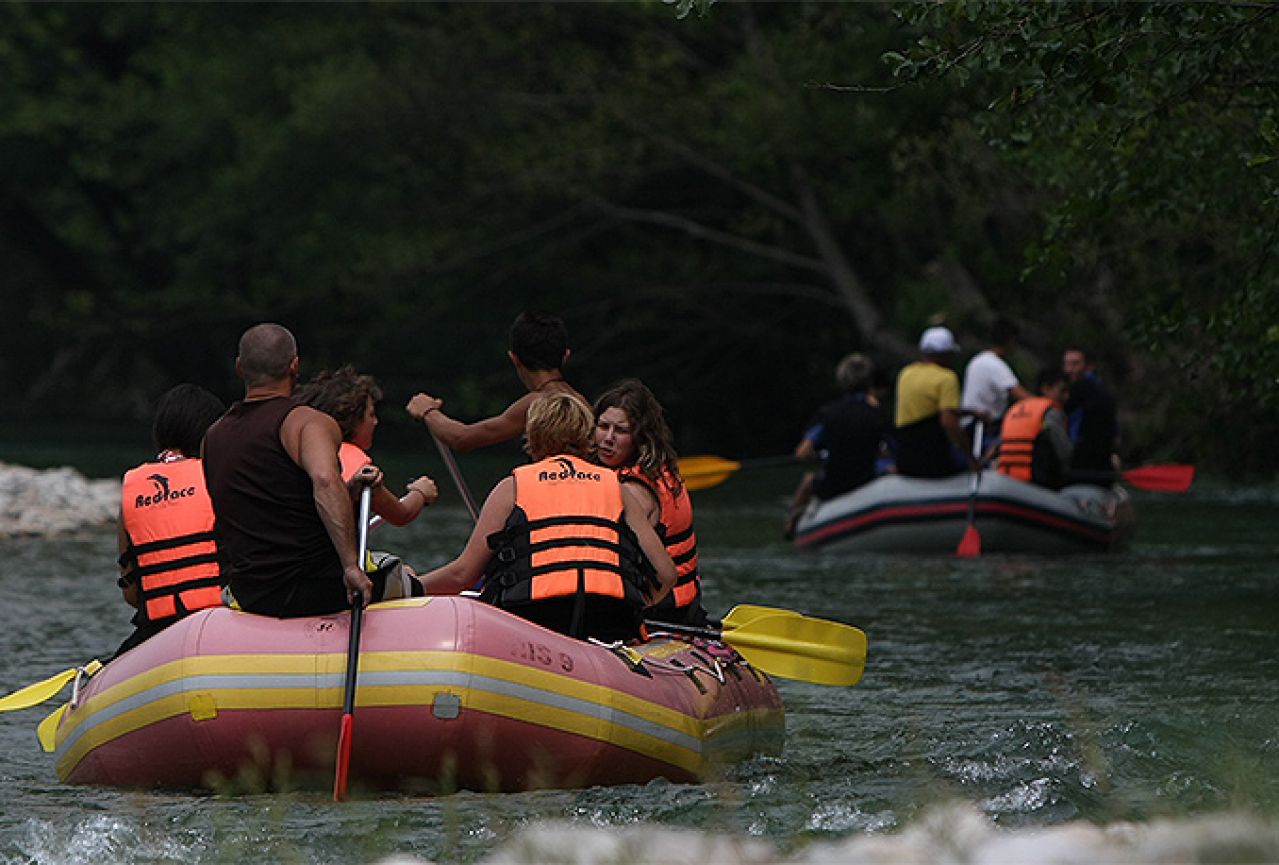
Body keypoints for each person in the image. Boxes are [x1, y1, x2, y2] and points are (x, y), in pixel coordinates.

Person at [418, 393, 676, 643]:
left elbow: (462, 574)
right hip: (608, 622)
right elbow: (666, 574)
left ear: (533, 437)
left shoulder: (513, 487)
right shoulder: (616, 488)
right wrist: (634, 603)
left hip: (534, 620)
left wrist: (410, 586)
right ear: (587, 440)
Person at [202, 323, 376, 617]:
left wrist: (350, 492)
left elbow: (271, 504)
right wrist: (350, 566)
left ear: (240, 368)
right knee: (403, 575)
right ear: (295, 365)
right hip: (317, 588)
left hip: (251, 593)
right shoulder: (307, 423)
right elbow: (323, 480)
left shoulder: (212, 436)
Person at [114, 384, 227, 658]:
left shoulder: (132, 488)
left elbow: (131, 595)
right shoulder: (220, 477)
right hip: (219, 621)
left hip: (157, 629)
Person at [592, 378, 709, 627]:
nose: (608, 438)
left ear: (640, 437)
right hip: (686, 606)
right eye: (603, 426)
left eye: (621, 431)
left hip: (657, 613)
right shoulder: (663, 472)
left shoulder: (632, 490)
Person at [406, 311, 587, 452]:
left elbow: (461, 439)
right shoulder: (583, 403)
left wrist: (428, 410)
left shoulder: (538, 403)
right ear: (566, 356)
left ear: (514, 359)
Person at [295, 366, 439, 526]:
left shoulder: (299, 449)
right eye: (371, 414)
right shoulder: (351, 461)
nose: (376, 421)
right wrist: (420, 492)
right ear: (351, 419)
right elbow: (401, 514)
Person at [784, 353, 891, 538]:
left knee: (809, 480)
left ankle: (790, 525)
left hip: (833, 485)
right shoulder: (877, 414)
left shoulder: (827, 414)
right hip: (868, 480)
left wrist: (813, 454)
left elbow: (803, 452)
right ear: (869, 382)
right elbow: (891, 449)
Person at [894, 326, 978, 478]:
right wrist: (970, 456)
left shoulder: (905, 374)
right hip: (931, 457)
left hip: (905, 454)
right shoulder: (946, 378)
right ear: (946, 355)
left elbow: (925, 407)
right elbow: (948, 421)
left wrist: (969, 412)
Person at [961, 317, 1031, 452]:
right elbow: (1018, 393)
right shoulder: (995, 365)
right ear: (1011, 340)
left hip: (968, 423)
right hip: (983, 426)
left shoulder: (977, 360)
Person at [995, 368, 1072, 489]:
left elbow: (998, 443)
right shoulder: (1050, 412)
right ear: (1046, 389)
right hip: (1037, 481)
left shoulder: (1015, 409)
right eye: (1062, 391)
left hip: (1007, 478)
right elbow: (1065, 451)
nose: (1066, 397)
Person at [1062, 346, 1120, 483]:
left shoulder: (1095, 392)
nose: (1069, 370)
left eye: (1075, 364)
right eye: (1067, 364)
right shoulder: (1066, 391)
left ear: (1089, 367)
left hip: (1089, 459)